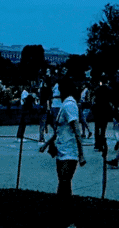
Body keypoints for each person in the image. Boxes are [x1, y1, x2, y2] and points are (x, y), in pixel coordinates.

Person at [39, 79, 86, 228]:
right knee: (63, 185)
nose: (57, 92)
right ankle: (60, 214)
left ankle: (69, 218)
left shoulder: (70, 105)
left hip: (69, 153)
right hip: (62, 151)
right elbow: (59, 131)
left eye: (60, 89)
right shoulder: (66, 105)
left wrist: (81, 154)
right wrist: (47, 144)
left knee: (65, 185)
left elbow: (76, 130)